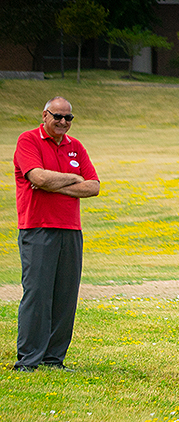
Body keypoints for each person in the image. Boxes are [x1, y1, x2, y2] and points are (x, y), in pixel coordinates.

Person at [12, 97, 100, 372]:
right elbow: (37, 178)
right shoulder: (28, 141)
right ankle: (28, 360)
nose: (63, 122)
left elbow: (94, 186)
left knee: (65, 295)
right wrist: (73, 179)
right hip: (38, 227)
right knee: (38, 293)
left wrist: (56, 183)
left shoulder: (76, 147)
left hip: (71, 229)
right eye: (57, 116)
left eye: (68, 118)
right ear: (45, 115)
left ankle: (53, 359)